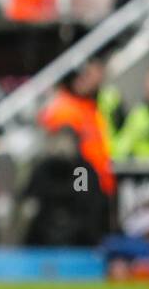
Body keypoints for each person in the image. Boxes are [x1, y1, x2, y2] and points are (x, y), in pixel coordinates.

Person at [40, 57, 114, 196]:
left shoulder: (88, 105)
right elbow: (67, 162)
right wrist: (82, 191)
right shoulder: (65, 108)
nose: (85, 80)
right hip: (82, 183)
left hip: (99, 184)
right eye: (82, 76)